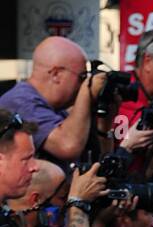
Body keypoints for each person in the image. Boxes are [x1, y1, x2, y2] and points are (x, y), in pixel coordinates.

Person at [0, 36, 107, 171]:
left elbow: (102, 159)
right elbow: (68, 146)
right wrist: (87, 91)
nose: (82, 83)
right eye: (82, 77)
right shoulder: (20, 102)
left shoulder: (55, 108)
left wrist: (105, 117)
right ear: (56, 74)